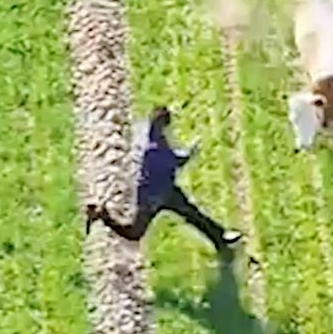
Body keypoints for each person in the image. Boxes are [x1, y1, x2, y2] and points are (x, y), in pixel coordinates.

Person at [85, 105, 245, 256]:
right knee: (190, 216)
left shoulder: (149, 137)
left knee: (186, 217)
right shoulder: (156, 147)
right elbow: (176, 161)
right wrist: (191, 152)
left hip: (151, 195)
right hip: (160, 196)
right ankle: (221, 238)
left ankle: (220, 239)